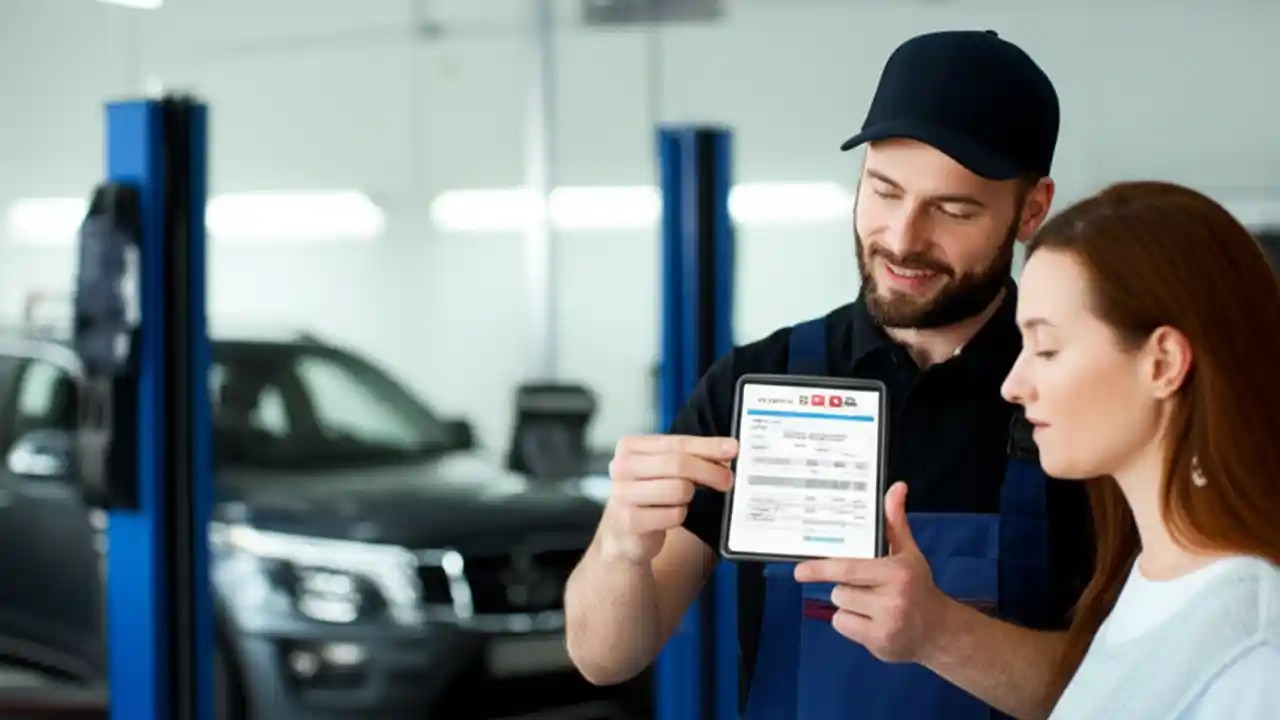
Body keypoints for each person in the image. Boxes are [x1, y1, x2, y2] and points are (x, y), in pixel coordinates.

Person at [565, 29, 1093, 720]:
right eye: (884, 191)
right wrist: (621, 543)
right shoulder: (759, 380)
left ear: (1032, 210)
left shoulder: (1083, 397)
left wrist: (940, 633)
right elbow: (604, 657)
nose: (903, 239)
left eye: (953, 210)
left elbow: (1132, 688)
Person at [1000, 181, 1280, 719]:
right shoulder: (1147, 578)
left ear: (1163, 363)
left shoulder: (1254, 651)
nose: (1013, 385)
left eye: (1047, 349)